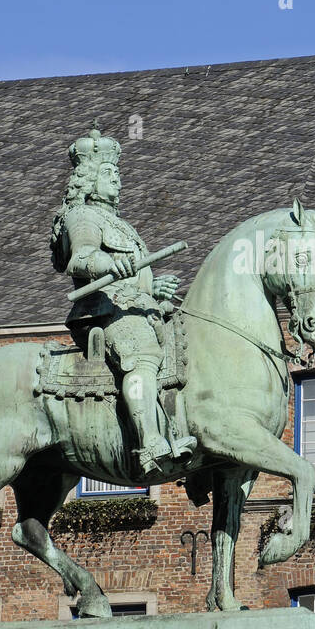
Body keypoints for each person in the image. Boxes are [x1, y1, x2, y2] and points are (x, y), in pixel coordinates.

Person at [48, 129, 195, 476]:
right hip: (105, 312)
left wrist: (153, 286)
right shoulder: (82, 217)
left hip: (139, 308)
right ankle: (151, 445)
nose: (117, 180)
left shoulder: (122, 225)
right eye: (108, 174)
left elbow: (134, 277)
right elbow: (80, 258)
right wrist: (107, 263)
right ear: (89, 179)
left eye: (117, 174)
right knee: (141, 357)